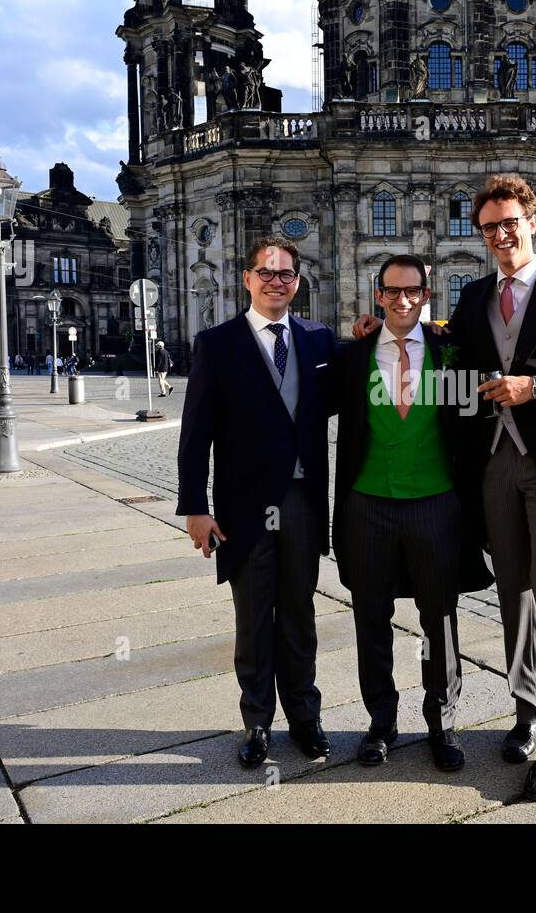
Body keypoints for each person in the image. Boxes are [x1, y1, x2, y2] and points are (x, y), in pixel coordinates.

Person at [354, 174, 536, 799]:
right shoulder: (475, 298)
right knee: (513, 601)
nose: (501, 235)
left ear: (532, 220)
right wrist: (384, 327)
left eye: (510, 223)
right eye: (489, 228)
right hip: (492, 467)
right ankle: (527, 713)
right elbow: (445, 343)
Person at [177, 234, 335, 768]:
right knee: (253, 619)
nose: (276, 281)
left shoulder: (317, 340)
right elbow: (195, 434)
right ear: (246, 279)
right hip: (243, 509)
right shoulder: (217, 344)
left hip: (301, 502)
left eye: (286, 274)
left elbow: (355, 381)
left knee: (299, 616)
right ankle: (258, 724)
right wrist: (195, 508)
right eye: (265, 272)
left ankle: (306, 720)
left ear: (298, 282)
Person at [332, 254, 493, 771]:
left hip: (436, 505)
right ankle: (381, 723)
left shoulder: (453, 352)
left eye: (413, 291)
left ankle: (441, 723)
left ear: (426, 296)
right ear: (377, 296)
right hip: (367, 505)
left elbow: (481, 411)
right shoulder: (354, 357)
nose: (403, 300)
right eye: (392, 291)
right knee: (371, 618)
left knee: (438, 620)